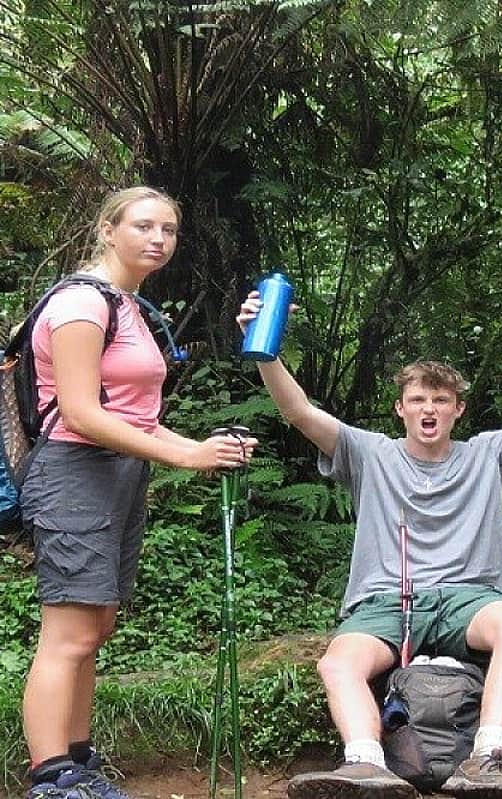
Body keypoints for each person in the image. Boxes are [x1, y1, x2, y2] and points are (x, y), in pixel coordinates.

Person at [236, 293, 502, 799]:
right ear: (400, 408)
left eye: (441, 400)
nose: (429, 408)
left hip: (469, 599)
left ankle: (487, 756)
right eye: (418, 399)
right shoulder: (370, 453)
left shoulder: (488, 453)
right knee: (339, 663)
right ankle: (364, 764)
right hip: (386, 600)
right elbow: (297, 411)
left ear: (457, 409)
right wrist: (266, 348)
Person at [21, 187, 257, 799]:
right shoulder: (80, 303)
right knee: (68, 631)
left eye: (170, 230)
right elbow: (78, 412)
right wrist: (185, 455)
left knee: (94, 628)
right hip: (74, 469)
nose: (158, 239)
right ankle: (50, 778)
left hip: (118, 471)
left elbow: (137, 417)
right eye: (144, 226)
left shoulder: (128, 305)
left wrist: (207, 447)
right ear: (108, 229)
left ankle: (78, 764)